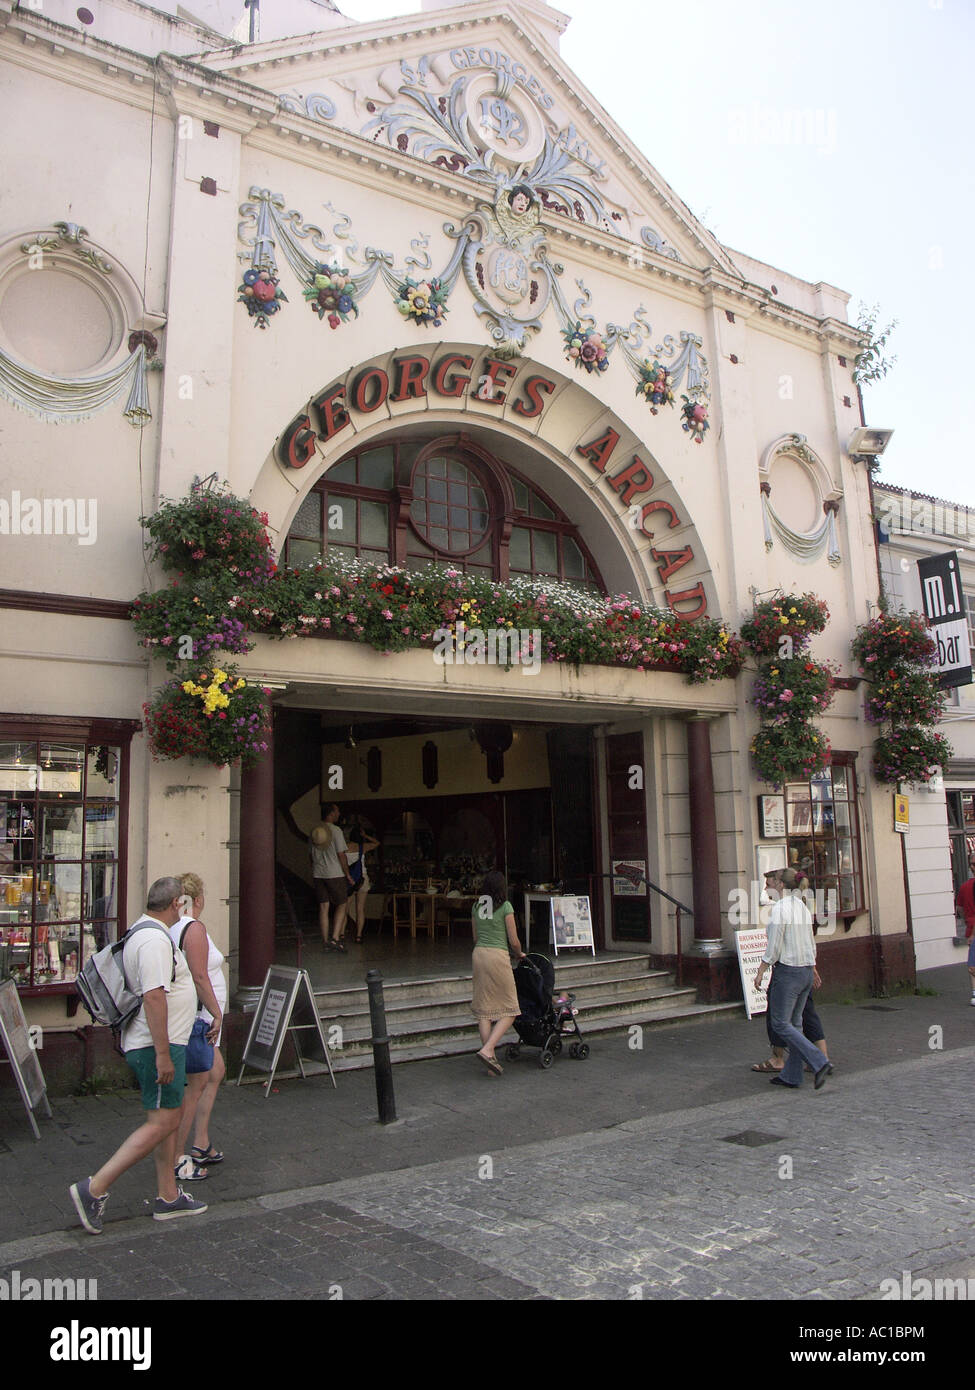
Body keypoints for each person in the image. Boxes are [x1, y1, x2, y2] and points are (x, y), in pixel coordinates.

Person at [69, 876, 207, 1233]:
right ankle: (94, 1188)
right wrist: (163, 1054)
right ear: (177, 904)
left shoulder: (145, 933)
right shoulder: (152, 941)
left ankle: (168, 1195)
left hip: (159, 1044)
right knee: (161, 1122)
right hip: (156, 1047)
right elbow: (154, 996)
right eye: (183, 904)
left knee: (168, 1120)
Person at [168, 873, 226, 1179]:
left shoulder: (177, 927)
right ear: (198, 900)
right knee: (196, 1084)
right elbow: (200, 976)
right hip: (200, 1020)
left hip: (198, 1020)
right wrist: (216, 1014)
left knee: (215, 1072)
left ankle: (201, 1142)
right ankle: (177, 1157)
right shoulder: (193, 928)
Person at [754, 868, 832, 1090]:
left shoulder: (780, 909)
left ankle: (819, 1061)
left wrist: (761, 969)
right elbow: (810, 940)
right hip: (805, 970)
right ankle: (792, 1075)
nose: (769, 886)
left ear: (780, 885)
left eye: (772, 882)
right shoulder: (802, 907)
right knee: (796, 1024)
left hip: (788, 972)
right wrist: (813, 967)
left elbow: (775, 944)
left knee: (780, 1023)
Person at [471, 870, 526, 1076]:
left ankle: (490, 1061)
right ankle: (487, 1050)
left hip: (479, 955)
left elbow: (476, 937)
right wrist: (519, 953)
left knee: (484, 1011)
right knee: (511, 1009)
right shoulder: (505, 906)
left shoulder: (476, 906)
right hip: (497, 955)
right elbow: (513, 939)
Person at [310, 804, 355, 952]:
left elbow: (310, 855)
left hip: (318, 873)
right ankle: (335, 938)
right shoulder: (335, 831)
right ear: (331, 814)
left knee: (323, 907)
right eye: (337, 811)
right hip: (334, 873)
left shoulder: (315, 831)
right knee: (342, 904)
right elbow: (341, 854)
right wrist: (348, 874)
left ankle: (325, 941)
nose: (339, 813)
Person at [344, 821, 379, 945]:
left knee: (345, 908)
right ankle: (359, 935)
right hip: (362, 879)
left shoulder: (344, 847)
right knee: (360, 909)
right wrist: (365, 836)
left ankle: (341, 933)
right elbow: (377, 843)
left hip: (349, 880)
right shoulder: (362, 847)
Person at [956, 855, 975, 1004]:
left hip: (971, 930)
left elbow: (960, 909)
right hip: (972, 930)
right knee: (972, 965)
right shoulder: (965, 887)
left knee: (973, 965)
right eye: (972, 864)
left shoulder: (964, 887)